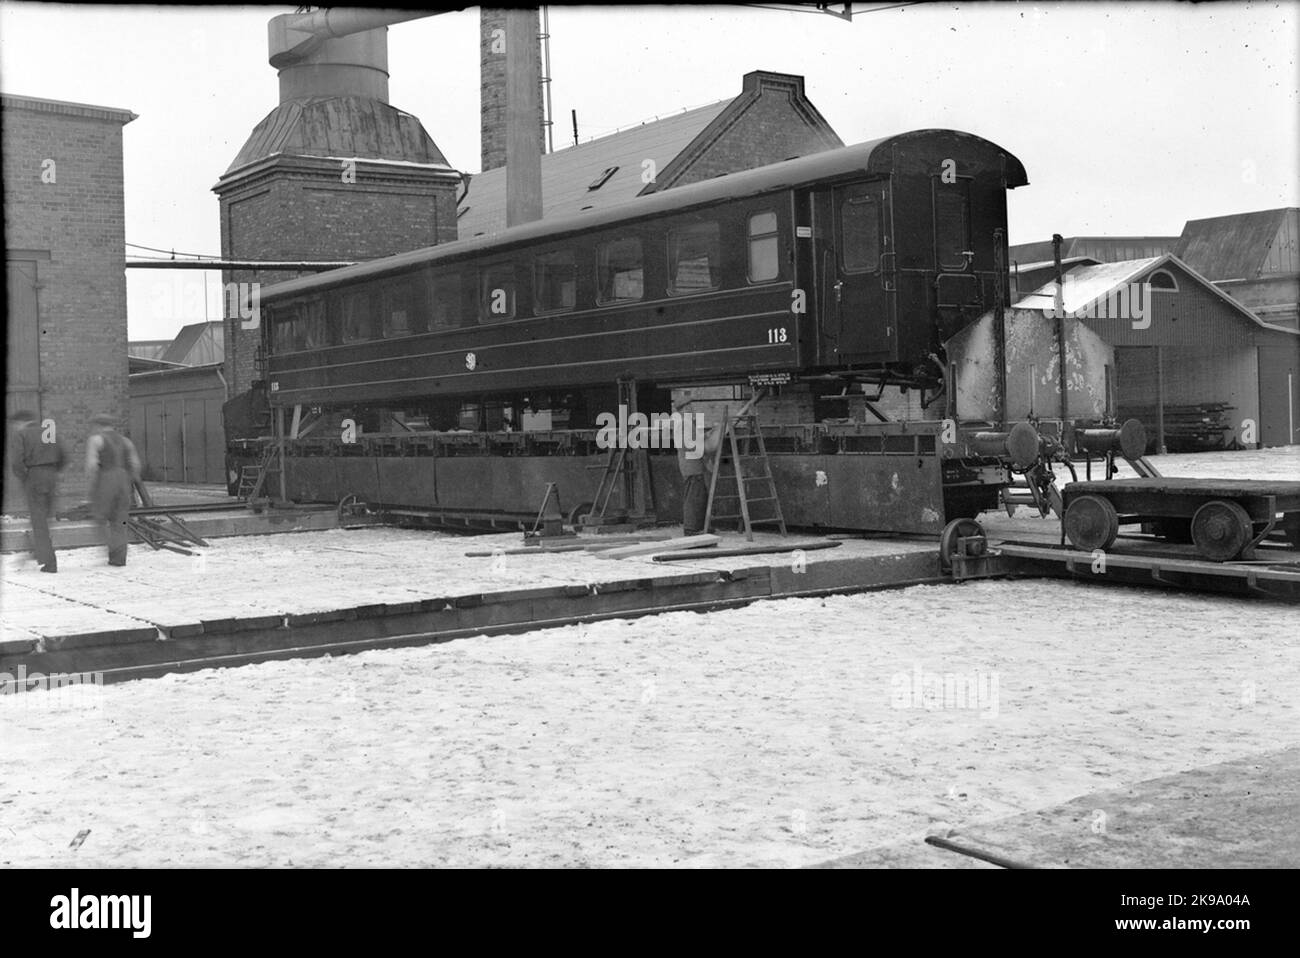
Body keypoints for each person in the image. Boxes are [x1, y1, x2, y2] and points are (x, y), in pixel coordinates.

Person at [7, 410, 67, 572]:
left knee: (39, 521)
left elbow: (17, 462)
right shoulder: (49, 431)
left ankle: (49, 562)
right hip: (51, 475)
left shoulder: (21, 435)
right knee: (46, 519)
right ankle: (38, 552)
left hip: (34, 476)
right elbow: (64, 456)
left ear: (20, 422)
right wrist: (55, 471)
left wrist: (25, 477)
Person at [85, 413, 142, 567]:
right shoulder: (126, 442)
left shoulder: (96, 440)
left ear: (97, 425)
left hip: (105, 480)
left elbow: (92, 465)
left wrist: (92, 487)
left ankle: (111, 548)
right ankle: (119, 558)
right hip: (123, 480)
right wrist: (128, 480)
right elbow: (136, 465)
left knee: (99, 517)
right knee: (121, 521)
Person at [676, 400, 720, 536]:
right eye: (688, 407)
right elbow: (694, 446)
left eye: (691, 406)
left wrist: (707, 434)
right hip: (691, 467)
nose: (691, 409)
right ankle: (691, 529)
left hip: (695, 466)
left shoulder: (687, 424)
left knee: (699, 497)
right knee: (693, 498)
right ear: (682, 410)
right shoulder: (684, 424)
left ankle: (700, 526)